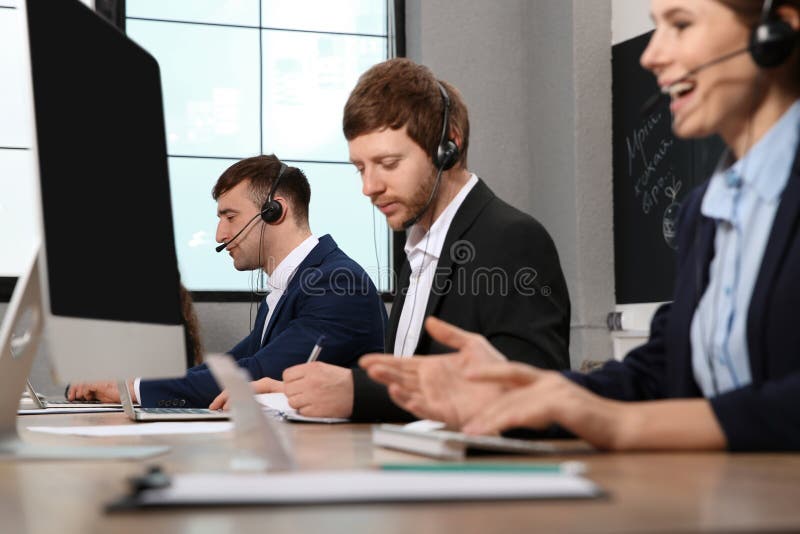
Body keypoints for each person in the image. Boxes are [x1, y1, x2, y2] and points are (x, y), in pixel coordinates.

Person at [361, 0, 800, 452]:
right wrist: (542, 395)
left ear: (777, 32)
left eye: (682, 24)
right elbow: (662, 367)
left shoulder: (511, 238)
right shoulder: (705, 211)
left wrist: (622, 424)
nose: (651, 56)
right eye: (656, 27)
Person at [239, 58, 571, 420]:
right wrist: (302, 394)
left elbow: (535, 394)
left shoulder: (512, 239)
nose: (369, 187)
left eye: (389, 163)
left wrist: (357, 393)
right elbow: (412, 383)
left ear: (449, 148)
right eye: (361, 168)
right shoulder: (418, 248)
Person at [69, 155, 386, 408]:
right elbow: (230, 366)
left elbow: (258, 374)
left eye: (230, 217)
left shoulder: (336, 284)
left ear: (274, 211)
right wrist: (129, 382)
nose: (220, 235)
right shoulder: (292, 285)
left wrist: (131, 388)